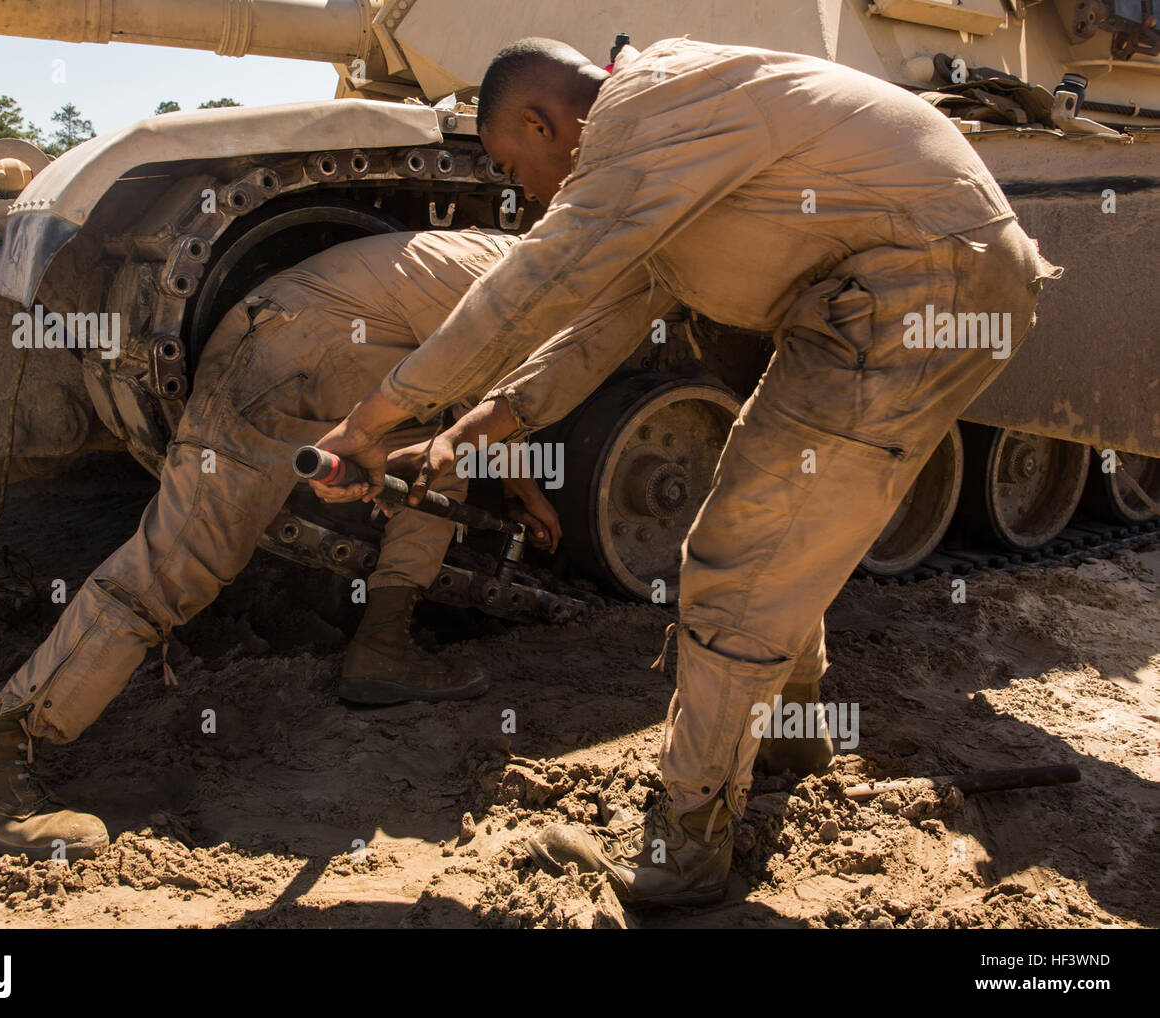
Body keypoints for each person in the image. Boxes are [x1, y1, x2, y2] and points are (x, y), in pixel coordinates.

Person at [310, 38, 1060, 906]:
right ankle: (788, 739)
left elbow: (536, 284)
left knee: (740, 552)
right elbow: (604, 318)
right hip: (890, 294)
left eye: (518, 165)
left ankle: (689, 843)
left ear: (542, 120)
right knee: (785, 525)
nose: (529, 193)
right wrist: (470, 430)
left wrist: (372, 418)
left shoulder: (644, 110)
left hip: (916, 292)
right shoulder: (674, 135)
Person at [0, 226, 659, 860]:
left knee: (444, 474)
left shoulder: (539, 257)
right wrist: (522, 482)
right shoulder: (573, 280)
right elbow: (507, 387)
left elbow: (476, 397)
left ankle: (383, 647)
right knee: (182, 562)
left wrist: (520, 485)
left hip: (316, 357)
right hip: (279, 358)